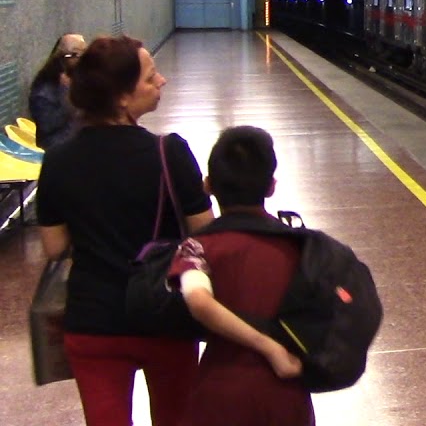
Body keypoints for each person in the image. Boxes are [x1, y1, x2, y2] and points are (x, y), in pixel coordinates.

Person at [36, 34, 214, 426]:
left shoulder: (59, 159)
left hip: (94, 320)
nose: (162, 81)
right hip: (164, 315)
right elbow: (207, 232)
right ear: (120, 96)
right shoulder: (170, 152)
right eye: (151, 77)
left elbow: (54, 246)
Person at [168, 126, 311, 426]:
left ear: (207, 186)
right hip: (287, 393)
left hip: (220, 393)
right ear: (271, 187)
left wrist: (264, 346)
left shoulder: (196, 247)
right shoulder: (302, 245)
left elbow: (199, 302)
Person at [28, 32, 86, 149]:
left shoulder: (79, 80)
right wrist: (67, 95)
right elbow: (48, 125)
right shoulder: (44, 91)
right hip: (59, 150)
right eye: (79, 55)